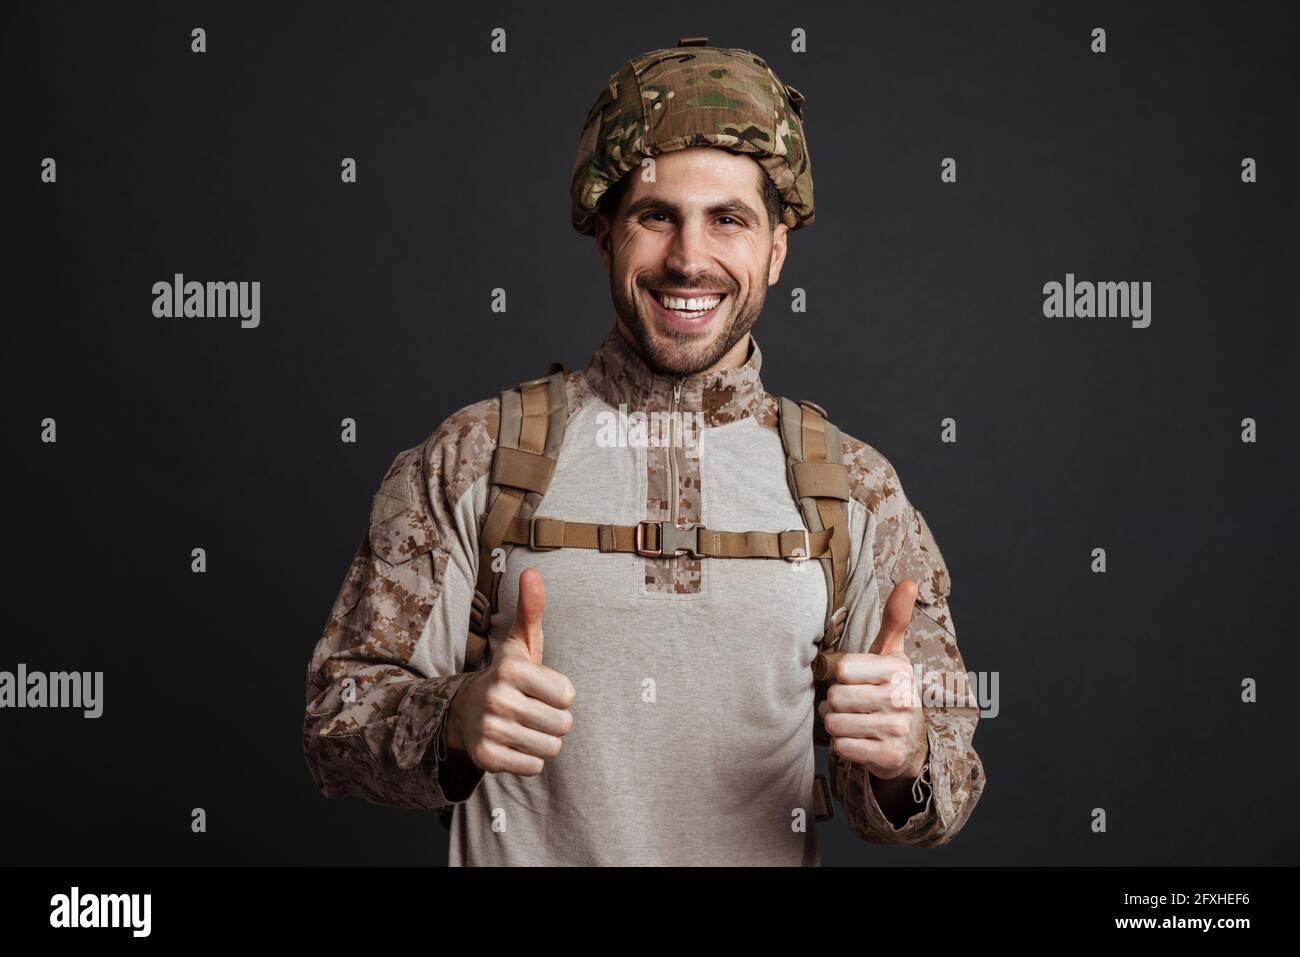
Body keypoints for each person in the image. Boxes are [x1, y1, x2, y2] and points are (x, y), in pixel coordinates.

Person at [302, 38, 986, 866]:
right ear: (606, 239)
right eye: (657, 215)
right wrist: (454, 718)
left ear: (776, 250)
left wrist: (903, 753)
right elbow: (335, 718)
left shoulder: (856, 489)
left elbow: (943, 783)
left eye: (728, 218)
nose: (689, 258)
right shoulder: (477, 455)